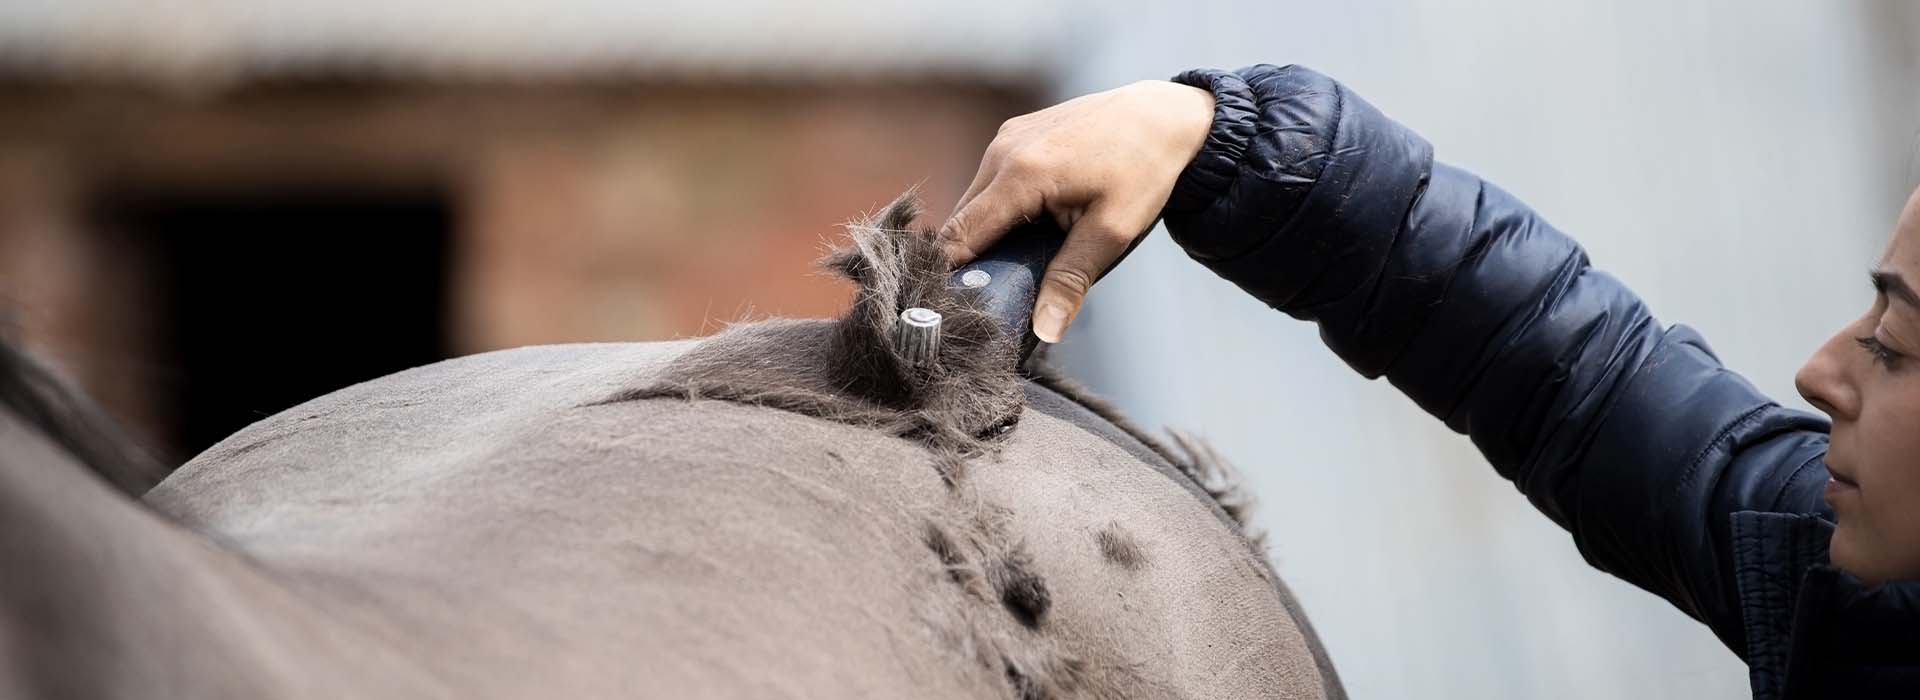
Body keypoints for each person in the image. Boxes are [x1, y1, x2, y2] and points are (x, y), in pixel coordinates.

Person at [938, 64, 1920, 699]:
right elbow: (1580, 371)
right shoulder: (1853, 581)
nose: (1820, 371)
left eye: (1897, 343)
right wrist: (1219, 137)